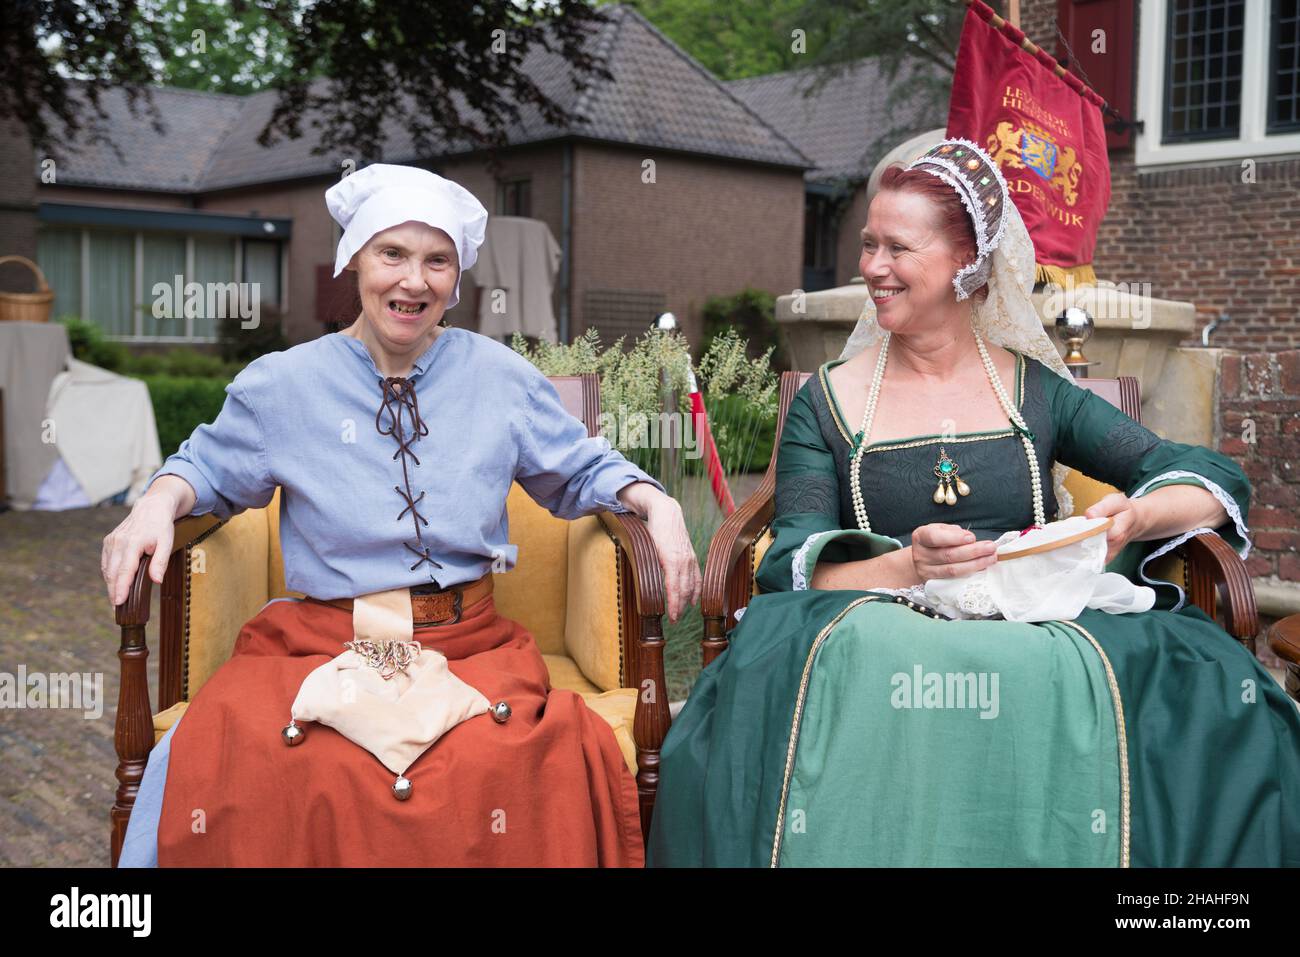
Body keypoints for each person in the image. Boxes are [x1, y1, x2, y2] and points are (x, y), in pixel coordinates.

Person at [647, 139, 1300, 867]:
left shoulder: (1036, 392)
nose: (871, 267)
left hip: (1035, 623)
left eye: (898, 247)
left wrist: (1136, 515)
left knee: (1199, 680)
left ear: (968, 264)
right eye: (868, 245)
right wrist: (905, 565)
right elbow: (792, 558)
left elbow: (1193, 472)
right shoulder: (826, 404)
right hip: (884, 624)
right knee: (863, 655)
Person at [103, 163, 702, 866]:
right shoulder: (284, 384)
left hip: (469, 647)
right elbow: (205, 468)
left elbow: (581, 467)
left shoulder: (500, 378)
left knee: (504, 761)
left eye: (437, 261)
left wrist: (655, 502)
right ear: (356, 261)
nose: (414, 281)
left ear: (456, 276)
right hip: (322, 645)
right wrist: (154, 501)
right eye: (393, 254)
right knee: (257, 753)